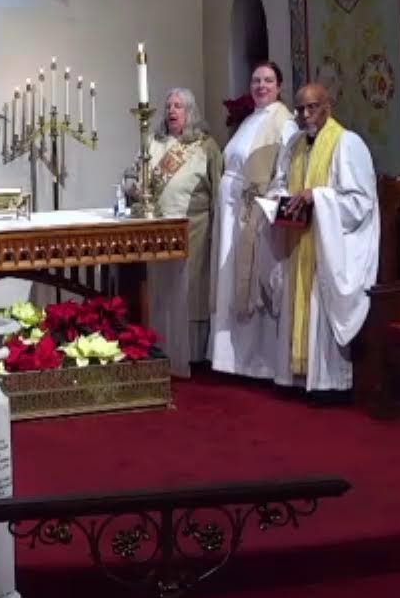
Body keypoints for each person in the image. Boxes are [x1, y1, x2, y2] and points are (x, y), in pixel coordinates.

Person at [267, 82, 379, 395]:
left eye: (312, 107)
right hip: (297, 242)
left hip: (327, 248)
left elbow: (360, 203)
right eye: (300, 108)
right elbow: (279, 183)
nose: (305, 115)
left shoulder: (347, 143)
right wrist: (280, 199)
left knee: (319, 306)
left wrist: (318, 197)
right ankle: (295, 378)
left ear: (327, 106)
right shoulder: (293, 146)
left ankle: (328, 383)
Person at [208, 62, 299, 381]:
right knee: (228, 274)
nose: (261, 86)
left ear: (280, 86)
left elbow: (285, 169)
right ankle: (229, 358)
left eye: (268, 80)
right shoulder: (250, 119)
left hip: (254, 211)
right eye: (256, 80)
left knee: (250, 278)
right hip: (232, 209)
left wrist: (267, 203)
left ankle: (254, 362)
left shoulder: (284, 122)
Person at [123, 88, 222, 376]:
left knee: (192, 291)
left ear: (190, 111)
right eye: (168, 106)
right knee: (161, 291)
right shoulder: (153, 143)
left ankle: (192, 353)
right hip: (158, 231)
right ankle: (162, 347)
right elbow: (131, 177)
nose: (171, 111)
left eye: (178, 106)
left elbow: (219, 191)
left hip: (195, 230)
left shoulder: (206, 146)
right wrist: (133, 188)